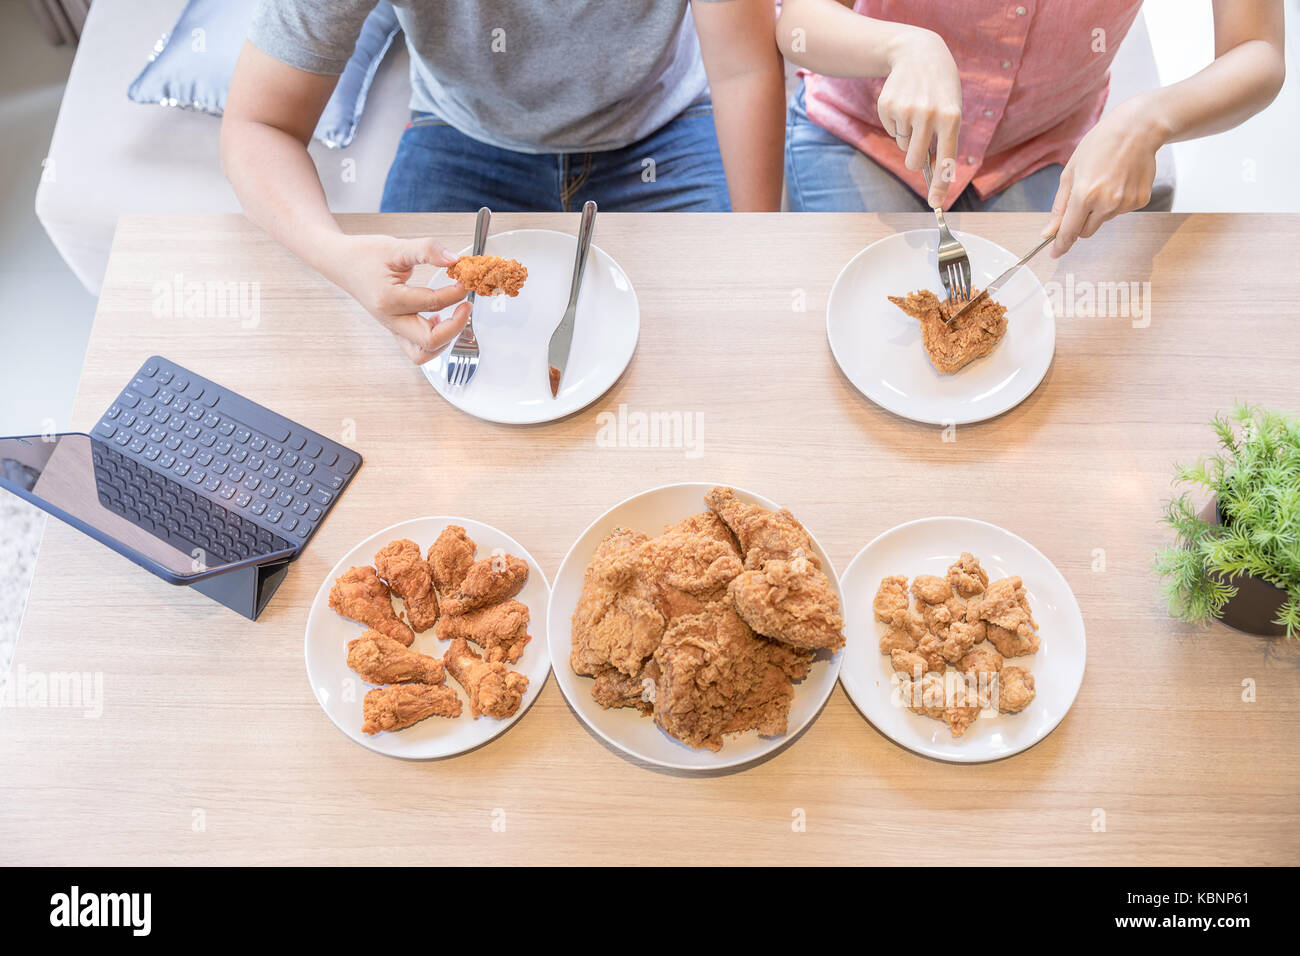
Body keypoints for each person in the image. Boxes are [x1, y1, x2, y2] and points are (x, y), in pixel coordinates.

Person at [222, 0, 785, 365]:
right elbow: (258, 124)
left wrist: (758, 242)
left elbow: (744, 69)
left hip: (662, 127)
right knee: (407, 371)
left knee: (728, 347)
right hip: (460, 134)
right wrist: (337, 254)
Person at [777, 0, 1286, 257]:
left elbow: (1257, 53)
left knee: (1038, 367)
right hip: (865, 134)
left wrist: (1151, 118)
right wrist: (900, 47)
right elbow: (800, 20)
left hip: (1041, 150)